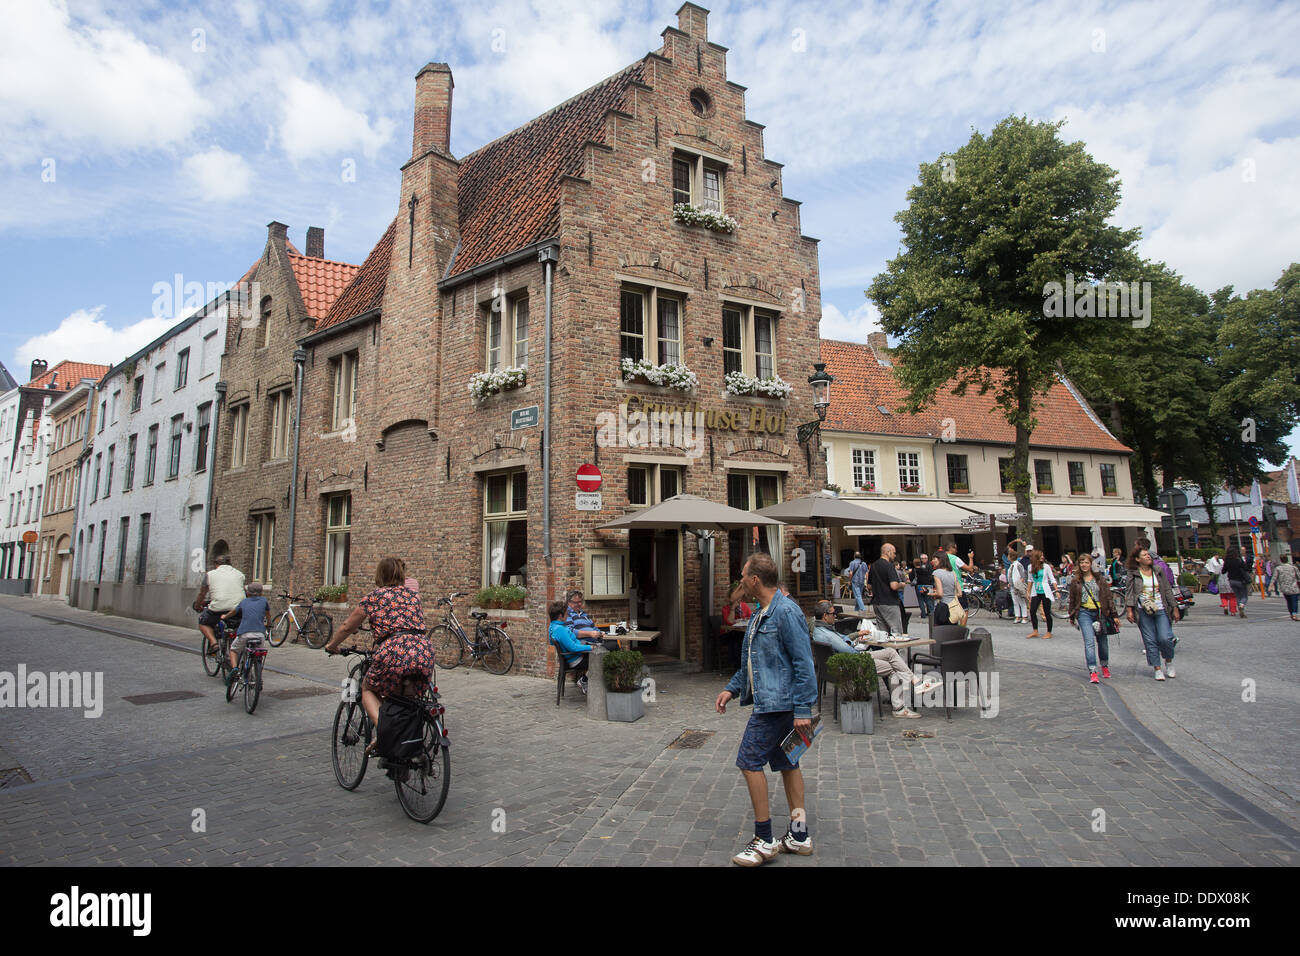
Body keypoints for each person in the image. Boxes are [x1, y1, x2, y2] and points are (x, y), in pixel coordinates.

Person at [715, 552, 817, 866]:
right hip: (775, 702)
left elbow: (804, 663)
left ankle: (764, 839)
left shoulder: (786, 612)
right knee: (789, 763)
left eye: (743, 575)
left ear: (755, 580)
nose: (741, 580)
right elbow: (752, 661)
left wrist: (803, 709)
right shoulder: (762, 613)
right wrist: (732, 688)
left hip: (778, 705)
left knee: (748, 760)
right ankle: (799, 836)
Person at [324, 557, 435, 736]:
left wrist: (332, 645)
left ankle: (386, 734)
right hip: (423, 651)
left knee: (368, 688)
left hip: (394, 651)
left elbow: (347, 627)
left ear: (380, 575)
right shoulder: (413, 596)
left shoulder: (374, 597)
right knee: (406, 698)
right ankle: (409, 742)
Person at [810, 602, 939, 718]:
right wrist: (861, 650)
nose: (835, 616)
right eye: (833, 614)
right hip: (853, 662)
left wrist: (855, 637)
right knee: (893, 667)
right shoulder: (827, 634)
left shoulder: (821, 630)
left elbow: (843, 639)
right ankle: (899, 708)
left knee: (890, 652)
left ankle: (915, 681)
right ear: (825, 616)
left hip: (851, 658)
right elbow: (848, 650)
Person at [1125, 548, 1180, 681]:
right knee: (1150, 641)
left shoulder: (1158, 571)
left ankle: (1168, 661)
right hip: (1143, 610)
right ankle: (1157, 668)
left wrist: (1174, 607)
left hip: (1161, 608)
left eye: (1148, 555)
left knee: (1165, 638)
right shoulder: (1133, 573)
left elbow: (1167, 589)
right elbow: (1130, 592)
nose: (1148, 557)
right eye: (1144, 555)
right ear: (1138, 559)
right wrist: (1129, 610)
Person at [1066, 554, 1119, 683]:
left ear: (1091, 564)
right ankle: (1092, 670)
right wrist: (1072, 615)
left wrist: (1114, 615)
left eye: (1086, 562)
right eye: (1081, 562)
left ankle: (1104, 665)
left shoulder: (1099, 579)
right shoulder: (1076, 581)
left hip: (1100, 613)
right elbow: (1072, 600)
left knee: (1103, 642)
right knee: (1089, 641)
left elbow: (1108, 597)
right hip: (1084, 612)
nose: (1084, 565)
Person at [193, 553, 246, 655]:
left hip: (219, 608)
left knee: (203, 622)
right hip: (238, 608)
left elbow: (202, 593)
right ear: (230, 564)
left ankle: (213, 643)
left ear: (216, 564)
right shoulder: (239, 574)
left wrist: (197, 605)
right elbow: (242, 590)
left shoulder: (210, 574)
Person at [223, 582, 271, 680]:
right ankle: (258, 679)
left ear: (248, 593)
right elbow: (268, 615)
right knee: (258, 655)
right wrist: (269, 624)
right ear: (261, 593)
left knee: (233, 650)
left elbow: (233, 612)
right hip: (259, 634)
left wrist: (225, 616)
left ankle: (235, 668)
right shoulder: (264, 601)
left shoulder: (244, 602)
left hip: (244, 633)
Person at [547, 599, 598, 693]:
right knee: (602, 658)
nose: (567, 615)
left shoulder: (553, 626)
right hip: (575, 660)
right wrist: (590, 647)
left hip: (572, 656)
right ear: (560, 616)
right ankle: (585, 681)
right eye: (566, 614)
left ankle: (586, 681)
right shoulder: (560, 629)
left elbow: (552, 642)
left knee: (600, 653)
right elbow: (573, 647)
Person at [869, 543, 906, 636]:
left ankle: (886, 650)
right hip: (890, 602)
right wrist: (901, 584)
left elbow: (869, 586)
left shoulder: (873, 566)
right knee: (896, 631)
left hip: (877, 602)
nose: (894, 555)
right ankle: (898, 650)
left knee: (883, 633)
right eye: (894, 553)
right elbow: (894, 586)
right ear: (887, 552)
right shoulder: (889, 566)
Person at [1026, 549, 1058, 639]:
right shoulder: (1030, 567)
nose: (1042, 557)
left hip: (1045, 591)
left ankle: (1049, 631)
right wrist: (1028, 592)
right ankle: (1035, 630)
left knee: (1047, 612)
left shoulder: (1046, 566)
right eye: (1041, 556)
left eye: (1043, 556)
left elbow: (1052, 578)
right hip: (1036, 591)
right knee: (1032, 610)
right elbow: (1030, 580)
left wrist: (1057, 590)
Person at [930, 553, 959, 626]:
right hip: (954, 608)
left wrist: (930, 593)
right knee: (952, 632)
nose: (932, 561)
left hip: (942, 607)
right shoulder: (953, 573)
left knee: (941, 633)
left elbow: (940, 593)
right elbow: (960, 593)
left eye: (934, 559)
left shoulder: (937, 573)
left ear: (940, 560)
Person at [1223, 545, 1250, 618]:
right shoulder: (1238, 560)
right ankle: (1241, 606)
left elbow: (1223, 571)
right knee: (1244, 596)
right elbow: (1245, 568)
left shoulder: (1227, 561)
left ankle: (1241, 610)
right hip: (1240, 580)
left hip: (1231, 580)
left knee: (1237, 596)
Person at [1273, 553, 1299, 620]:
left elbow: (1274, 578)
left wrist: (1270, 585)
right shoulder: (1293, 567)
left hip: (1284, 588)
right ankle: (1294, 614)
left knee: (1289, 601)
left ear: (1281, 560)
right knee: (1294, 601)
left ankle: (1291, 614)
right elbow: (1299, 577)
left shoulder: (1278, 568)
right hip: (1294, 587)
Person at [1008, 550, 1030, 625]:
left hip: (1017, 585)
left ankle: (1024, 616)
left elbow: (1022, 575)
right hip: (1013, 586)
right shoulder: (1012, 565)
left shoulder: (1018, 564)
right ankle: (1017, 616)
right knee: (1015, 602)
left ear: (1011, 557)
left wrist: (1020, 583)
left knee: (1021, 601)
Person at [914, 555, 935, 620]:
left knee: (921, 600)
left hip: (921, 585)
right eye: (922, 558)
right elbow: (932, 575)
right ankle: (932, 613)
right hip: (928, 585)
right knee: (929, 600)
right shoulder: (930, 566)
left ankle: (924, 614)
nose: (923, 559)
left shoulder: (917, 568)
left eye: (925, 558)